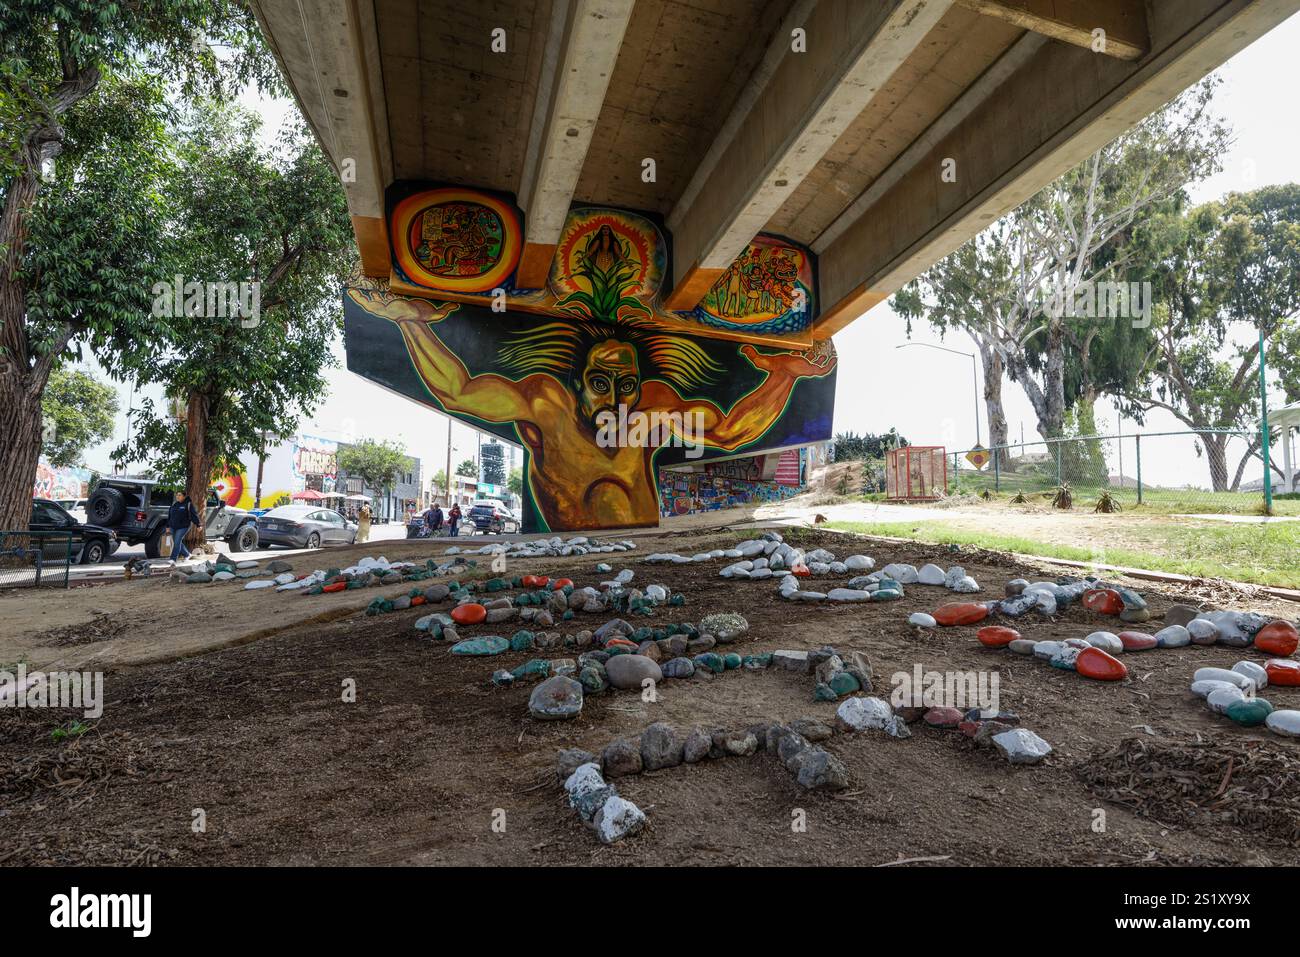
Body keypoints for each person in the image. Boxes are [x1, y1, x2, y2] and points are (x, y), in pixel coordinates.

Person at [167, 491, 201, 564]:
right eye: (177, 495)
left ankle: (173, 559)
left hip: (183, 527)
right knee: (177, 542)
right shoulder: (174, 504)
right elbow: (170, 516)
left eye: (179, 495)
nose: (177, 497)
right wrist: (168, 526)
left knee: (177, 542)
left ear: (184, 496)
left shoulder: (188, 504)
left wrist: (198, 525)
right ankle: (187, 554)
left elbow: (194, 515)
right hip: (173, 527)